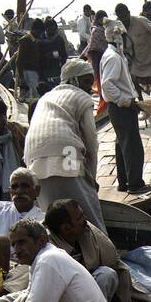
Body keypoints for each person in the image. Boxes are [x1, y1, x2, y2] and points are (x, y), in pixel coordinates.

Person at [23, 58, 104, 228]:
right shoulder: (82, 97)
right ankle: (104, 251)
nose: (89, 87)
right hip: (66, 150)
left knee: (52, 218)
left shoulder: (46, 97)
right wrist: (91, 177)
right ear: (73, 80)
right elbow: (91, 141)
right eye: (86, 82)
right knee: (87, 214)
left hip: (33, 158)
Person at [44, 199, 133, 302]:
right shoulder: (48, 250)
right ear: (66, 228)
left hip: (87, 294)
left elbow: (114, 261)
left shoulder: (87, 232)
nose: (85, 219)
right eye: (80, 217)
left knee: (107, 274)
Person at [99, 19, 148, 195]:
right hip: (121, 107)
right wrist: (127, 101)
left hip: (119, 107)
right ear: (118, 37)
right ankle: (135, 184)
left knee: (123, 144)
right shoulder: (113, 57)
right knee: (132, 145)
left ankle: (124, 182)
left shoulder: (114, 55)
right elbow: (107, 85)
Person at [117, 1, 151, 94]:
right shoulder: (119, 28)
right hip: (138, 61)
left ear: (129, 13)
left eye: (125, 17)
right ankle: (140, 101)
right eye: (121, 18)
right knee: (132, 79)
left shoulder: (141, 20)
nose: (124, 20)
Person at [15, 19, 45, 100]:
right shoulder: (26, 40)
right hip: (28, 72)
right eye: (40, 32)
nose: (41, 35)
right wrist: (22, 77)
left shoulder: (34, 40)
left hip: (34, 71)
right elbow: (19, 60)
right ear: (35, 30)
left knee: (33, 96)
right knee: (33, 97)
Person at [37, 17, 68, 94]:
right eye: (50, 30)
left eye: (54, 30)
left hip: (56, 68)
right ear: (45, 29)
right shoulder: (40, 39)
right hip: (43, 69)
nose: (52, 32)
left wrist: (63, 68)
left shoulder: (59, 39)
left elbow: (64, 55)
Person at [83, 9, 108, 87]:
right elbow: (92, 46)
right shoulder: (96, 30)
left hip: (106, 57)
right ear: (99, 19)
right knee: (100, 78)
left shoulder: (105, 29)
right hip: (97, 57)